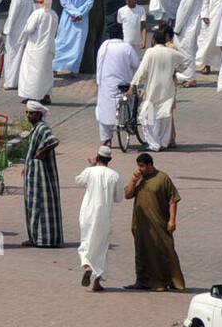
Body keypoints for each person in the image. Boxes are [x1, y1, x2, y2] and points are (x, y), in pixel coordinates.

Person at [124, 153, 185, 290]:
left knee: (163, 251)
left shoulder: (162, 178)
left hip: (159, 224)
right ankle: (142, 281)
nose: (140, 169)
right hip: (140, 225)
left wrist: (172, 220)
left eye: (142, 166)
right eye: (138, 166)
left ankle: (166, 282)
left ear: (150, 165)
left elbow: (173, 200)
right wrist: (133, 181)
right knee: (141, 252)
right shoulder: (139, 179)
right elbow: (127, 195)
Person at [76, 147, 125, 291]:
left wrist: (91, 165)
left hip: (87, 214)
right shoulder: (115, 176)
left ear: (97, 157)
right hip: (104, 216)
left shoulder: (90, 171)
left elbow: (79, 180)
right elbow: (118, 198)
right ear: (110, 159)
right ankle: (97, 281)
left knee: (86, 242)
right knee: (101, 247)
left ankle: (86, 266)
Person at [129, 25, 184, 151]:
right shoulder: (172, 52)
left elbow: (141, 71)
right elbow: (185, 62)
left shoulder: (150, 52)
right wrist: (175, 71)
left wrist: (133, 85)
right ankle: (163, 142)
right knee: (165, 115)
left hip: (153, 89)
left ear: (153, 40)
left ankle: (154, 144)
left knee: (147, 116)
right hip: (167, 88)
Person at [22, 101, 62, 248]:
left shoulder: (42, 128)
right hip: (34, 174)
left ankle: (44, 239)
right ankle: (35, 238)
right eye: (26, 112)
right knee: (33, 206)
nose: (28, 115)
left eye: (31, 113)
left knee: (41, 206)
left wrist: (41, 153)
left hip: (42, 176)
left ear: (39, 114)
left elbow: (53, 141)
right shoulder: (36, 128)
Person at [95, 30, 141, 145]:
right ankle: (128, 124)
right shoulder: (127, 48)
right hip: (123, 85)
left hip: (105, 85)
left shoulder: (103, 47)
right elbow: (137, 65)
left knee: (104, 111)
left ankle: (106, 139)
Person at [53, 0, 94, 73]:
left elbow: (64, 2)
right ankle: (74, 70)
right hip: (81, 20)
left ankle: (55, 66)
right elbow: (89, 3)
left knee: (62, 43)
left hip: (67, 19)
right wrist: (79, 14)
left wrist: (73, 13)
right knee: (77, 45)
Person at [17, 0, 56, 102]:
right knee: (47, 73)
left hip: (35, 49)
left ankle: (32, 96)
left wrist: (22, 36)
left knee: (31, 74)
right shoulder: (54, 14)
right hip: (49, 48)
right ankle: (46, 95)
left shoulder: (37, 14)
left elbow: (29, 29)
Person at [172, 0, 203, 84]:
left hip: (187, 27)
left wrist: (177, 28)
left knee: (186, 52)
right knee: (189, 52)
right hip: (192, 26)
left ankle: (188, 77)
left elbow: (184, 11)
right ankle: (188, 76)